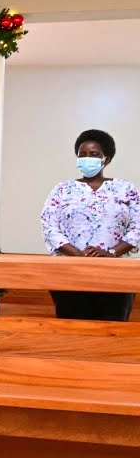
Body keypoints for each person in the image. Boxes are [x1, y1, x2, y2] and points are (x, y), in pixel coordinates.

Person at [41, 129, 139, 320]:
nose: (87, 159)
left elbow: (137, 227)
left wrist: (110, 253)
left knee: (112, 327)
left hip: (114, 273)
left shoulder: (125, 189)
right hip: (70, 271)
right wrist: (78, 254)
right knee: (72, 327)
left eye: (94, 154)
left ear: (106, 159)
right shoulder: (62, 189)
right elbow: (49, 225)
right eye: (82, 155)